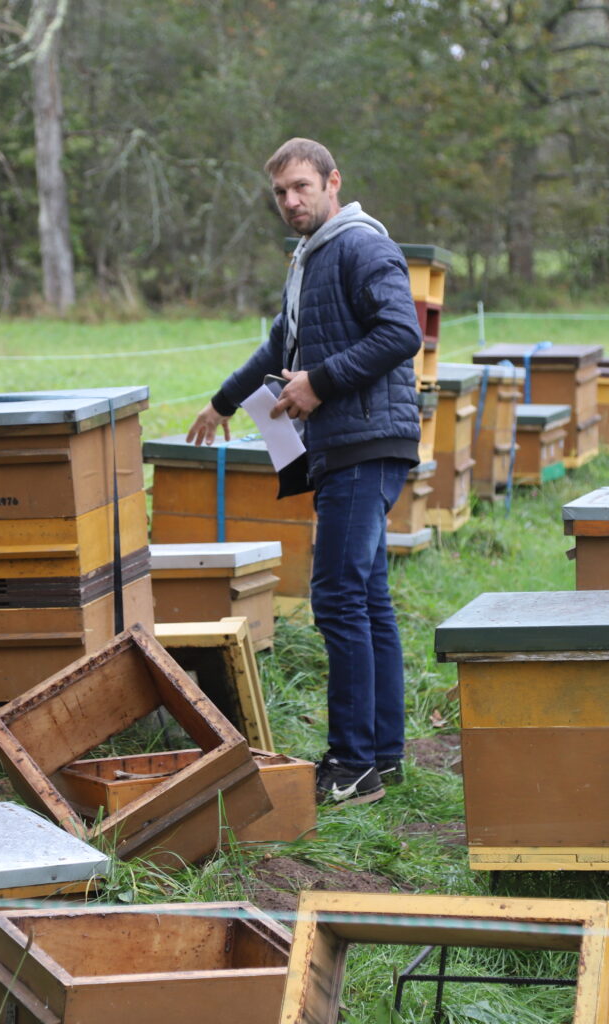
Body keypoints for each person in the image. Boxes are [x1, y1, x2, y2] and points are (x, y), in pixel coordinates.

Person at [186, 138, 421, 806]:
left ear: (332, 182)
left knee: (340, 598)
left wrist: (320, 381)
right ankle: (382, 756)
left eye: (301, 188)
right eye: (281, 193)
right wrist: (222, 401)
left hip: (365, 441)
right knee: (367, 598)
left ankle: (351, 766)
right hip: (349, 443)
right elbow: (279, 342)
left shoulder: (359, 244)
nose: (291, 201)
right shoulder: (310, 257)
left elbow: (401, 332)